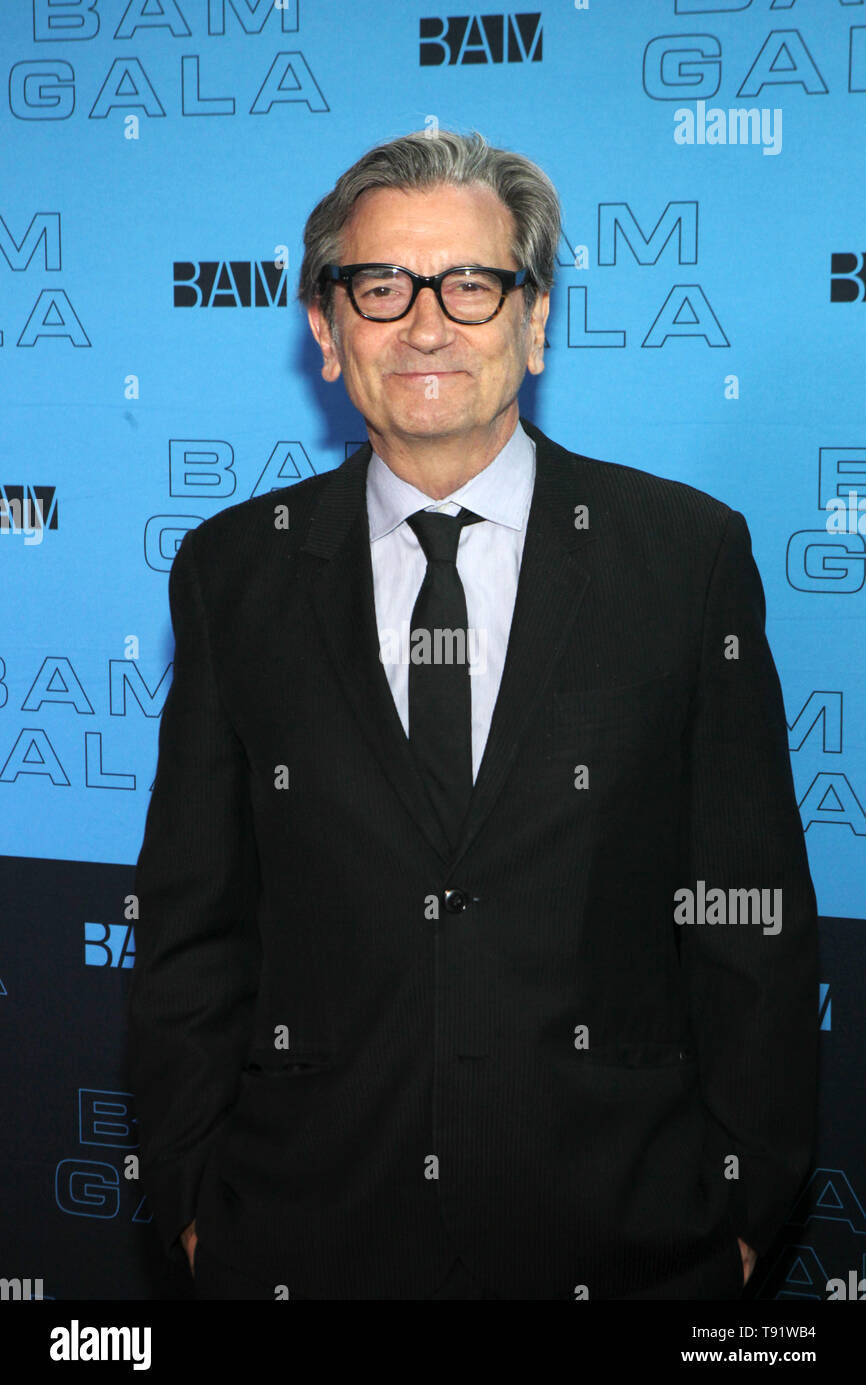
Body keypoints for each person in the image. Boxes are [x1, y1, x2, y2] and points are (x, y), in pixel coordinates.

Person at [127, 129, 817, 1300]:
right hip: (303, 1238)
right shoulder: (234, 569)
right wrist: (193, 1200)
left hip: (626, 1240)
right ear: (325, 331)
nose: (427, 322)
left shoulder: (683, 556)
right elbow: (194, 922)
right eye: (381, 285)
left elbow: (747, 917)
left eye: (472, 283)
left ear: (534, 322)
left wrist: (742, 1215)